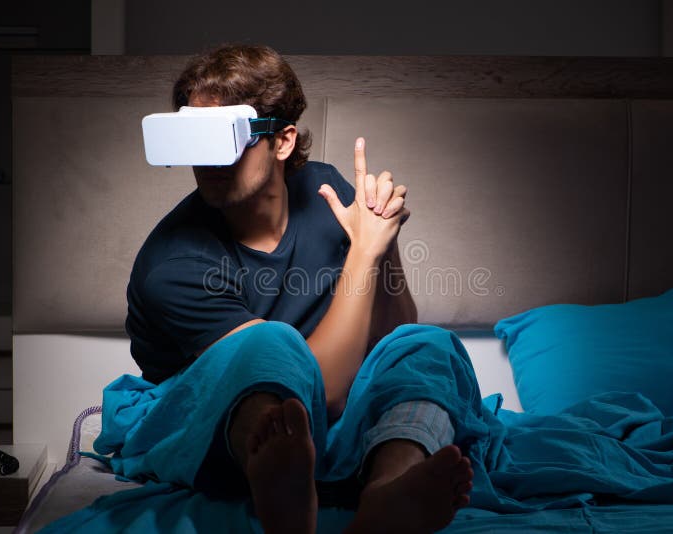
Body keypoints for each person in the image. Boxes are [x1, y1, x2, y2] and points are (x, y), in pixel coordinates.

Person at [115, 43, 479, 534]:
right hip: (217, 427)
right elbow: (322, 395)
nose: (206, 160)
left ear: (282, 141)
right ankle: (280, 482)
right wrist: (361, 256)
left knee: (425, 345)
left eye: (224, 138)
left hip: (335, 411)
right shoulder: (173, 263)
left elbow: (395, 330)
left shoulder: (326, 192)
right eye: (193, 139)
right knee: (269, 343)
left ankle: (389, 493)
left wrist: (380, 242)